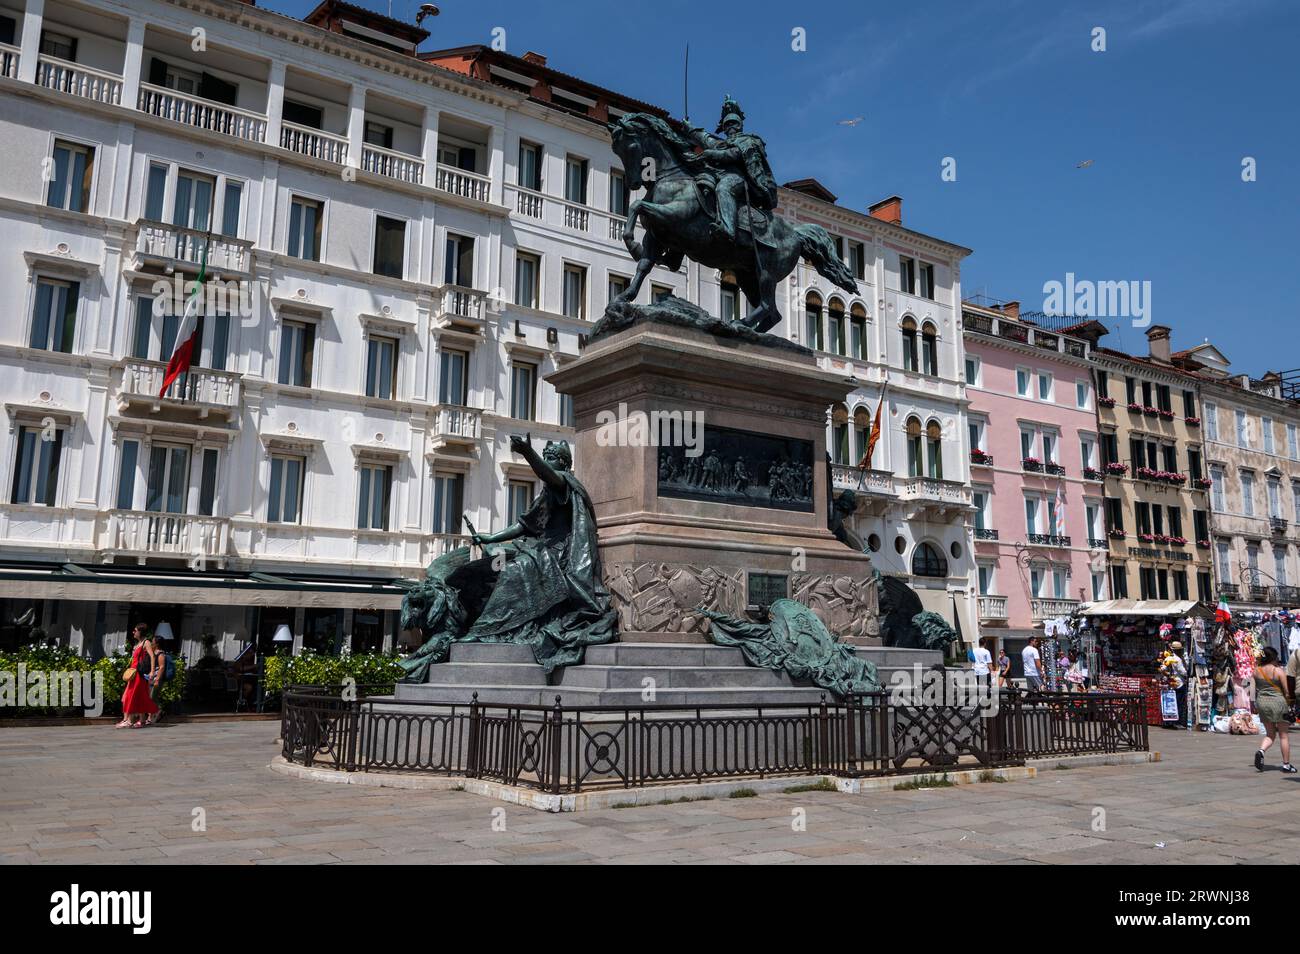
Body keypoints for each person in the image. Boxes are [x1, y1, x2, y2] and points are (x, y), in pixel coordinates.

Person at [1253, 646, 1296, 773]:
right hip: (1278, 703)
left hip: (1262, 703)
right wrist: (1291, 703)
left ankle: (1261, 751)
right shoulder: (1278, 671)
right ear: (1273, 657)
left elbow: (1255, 689)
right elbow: (1287, 692)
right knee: (1283, 736)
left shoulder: (1256, 671)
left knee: (1270, 734)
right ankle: (1286, 765)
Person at [117, 624, 159, 729]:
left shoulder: (146, 642)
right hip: (134, 673)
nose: (133, 632)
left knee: (132, 696)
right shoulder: (138, 643)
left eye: (135, 630)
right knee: (139, 696)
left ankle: (129, 721)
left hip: (139, 674)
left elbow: (152, 657)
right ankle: (143, 720)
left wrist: (152, 671)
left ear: (140, 632)